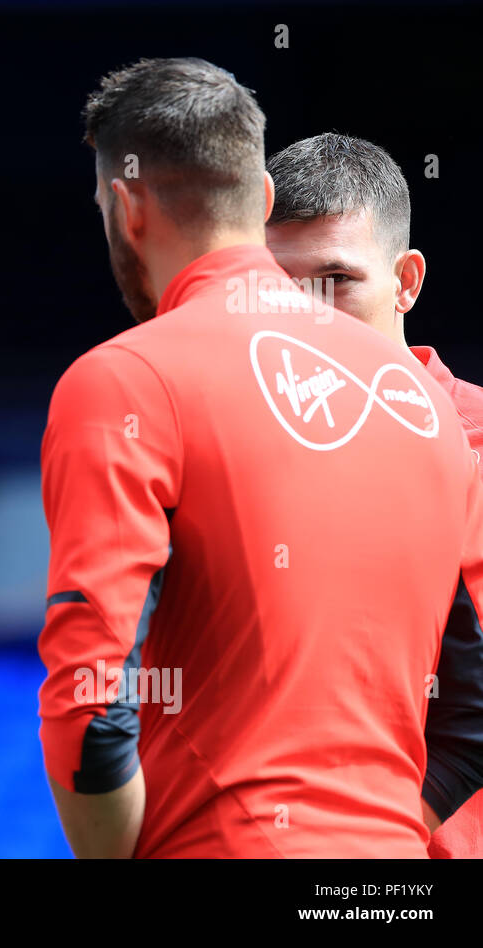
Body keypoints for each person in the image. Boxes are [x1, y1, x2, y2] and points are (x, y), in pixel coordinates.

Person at [37, 57, 483, 856]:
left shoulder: (126, 376)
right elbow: (471, 711)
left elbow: (89, 707)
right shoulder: (416, 401)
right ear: (264, 199)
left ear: (126, 206)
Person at [266, 132, 483, 858]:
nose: (306, 320)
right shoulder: (230, 464)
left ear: (407, 280)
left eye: (335, 281)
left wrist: (373, 842)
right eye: (278, 291)